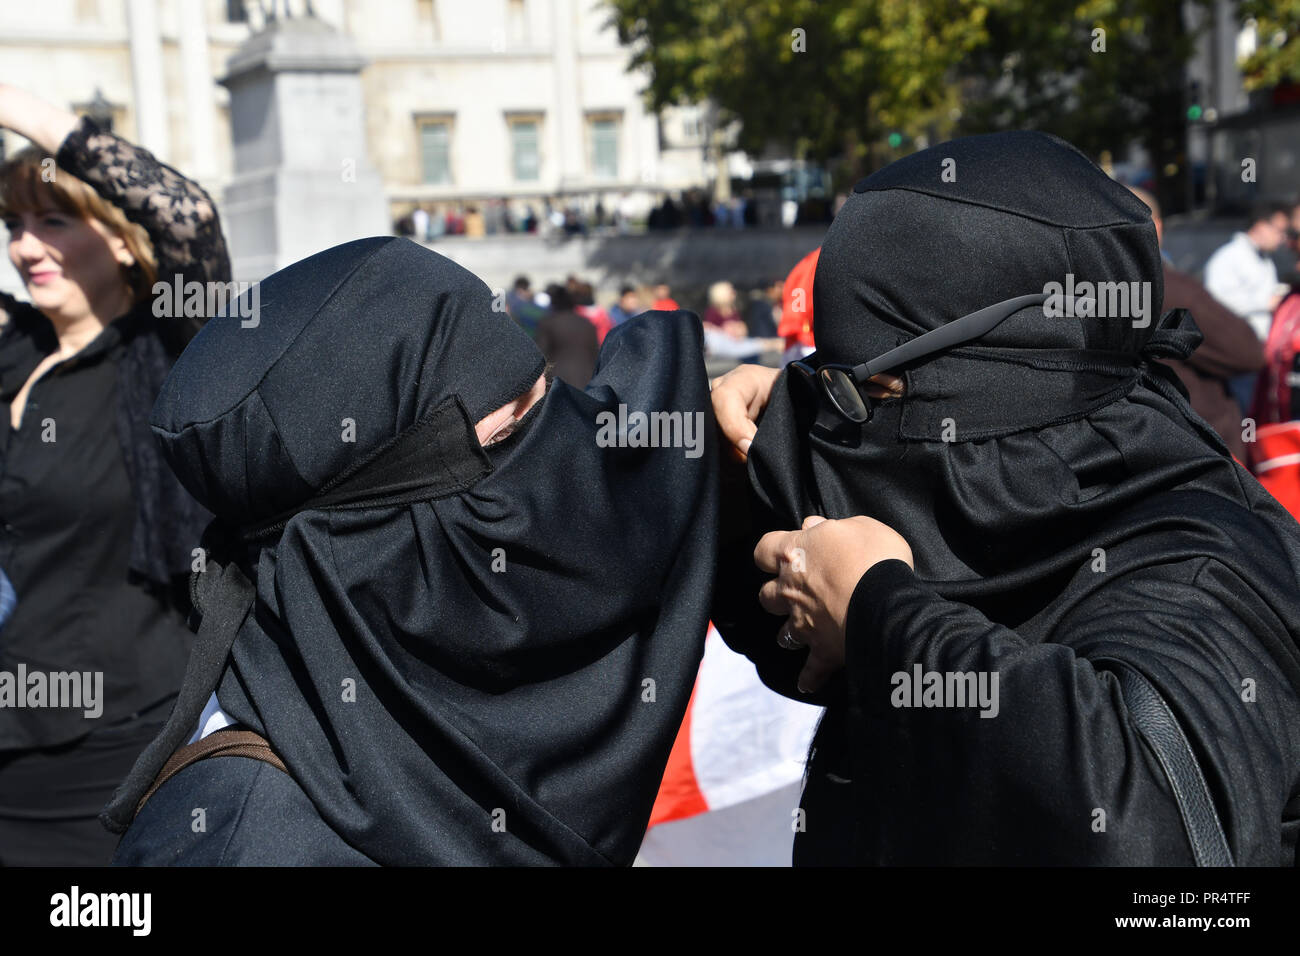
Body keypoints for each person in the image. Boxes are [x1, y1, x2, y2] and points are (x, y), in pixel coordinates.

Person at [709, 130, 1300, 865]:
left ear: (999, 379)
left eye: (869, 390)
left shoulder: (1199, 566)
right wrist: (736, 454)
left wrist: (879, 616)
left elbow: (1150, 847)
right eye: (827, 381)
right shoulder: (1002, 485)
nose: (844, 429)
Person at [105, 236, 718, 865]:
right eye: (513, 431)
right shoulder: (243, 841)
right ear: (370, 541)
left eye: (551, 393)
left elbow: (645, 458)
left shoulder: (416, 703)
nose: (565, 437)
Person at [0, 84, 221, 865]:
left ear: (124, 241)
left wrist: (17, 109)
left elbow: (187, 216)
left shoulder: (171, 352)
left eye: (54, 221)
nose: (27, 247)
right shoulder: (12, 351)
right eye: (13, 225)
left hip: (121, 750)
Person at [1129, 187, 1263, 461]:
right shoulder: (1171, 291)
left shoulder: (1083, 290)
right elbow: (1249, 352)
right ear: (1156, 227)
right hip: (1198, 453)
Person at [1203, 202, 1289, 343]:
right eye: (1278, 231)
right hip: (1236, 344)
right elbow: (1217, 302)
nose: (1281, 238)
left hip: (1262, 344)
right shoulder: (1228, 256)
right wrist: (1267, 302)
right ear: (1260, 226)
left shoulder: (1266, 260)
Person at [533, 284, 599, 388]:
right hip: (585, 379)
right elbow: (595, 354)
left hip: (557, 380)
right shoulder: (587, 324)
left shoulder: (548, 323)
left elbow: (540, 354)